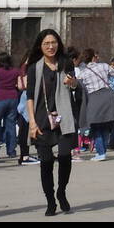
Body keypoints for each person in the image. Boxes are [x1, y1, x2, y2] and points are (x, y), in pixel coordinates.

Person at [26, 29, 80, 216]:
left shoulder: (66, 64)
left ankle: (61, 191)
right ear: (40, 47)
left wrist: (72, 82)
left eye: (54, 42)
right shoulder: (34, 68)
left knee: (65, 156)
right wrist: (32, 122)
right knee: (46, 161)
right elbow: (30, 97)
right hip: (42, 118)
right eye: (46, 43)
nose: (51, 46)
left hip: (64, 117)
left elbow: (75, 87)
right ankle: (50, 200)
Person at [0, 51, 21, 159]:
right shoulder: (16, 71)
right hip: (13, 98)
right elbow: (20, 86)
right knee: (10, 125)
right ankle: (11, 151)